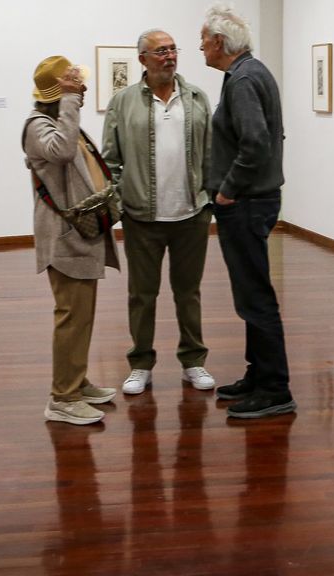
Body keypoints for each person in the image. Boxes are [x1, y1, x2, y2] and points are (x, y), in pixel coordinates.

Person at [102, 29, 216, 396]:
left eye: (172, 50)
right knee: (142, 294)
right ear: (143, 60)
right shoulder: (123, 102)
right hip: (142, 217)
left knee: (189, 292)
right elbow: (110, 160)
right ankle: (140, 364)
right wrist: (120, 202)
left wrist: (208, 198)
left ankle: (193, 362)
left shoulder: (197, 97)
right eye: (160, 51)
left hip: (190, 214)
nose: (169, 56)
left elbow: (210, 152)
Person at [199, 3, 294, 419]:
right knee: (250, 293)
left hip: (246, 202)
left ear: (219, 42)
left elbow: (255, 143)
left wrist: (227, 191)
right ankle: (258, 375)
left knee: (255, 296)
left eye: (203, 39)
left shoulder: (242, 80)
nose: (200, 47)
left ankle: (275, 388)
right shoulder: (248, 73)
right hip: (255, 199)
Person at [23, 56, 121, 425]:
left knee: (82, 316)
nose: (82, 87)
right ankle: (62, 398)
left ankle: (75, 381)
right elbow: (61, 152)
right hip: (64, 238)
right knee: (71, 316)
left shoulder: (59, 121)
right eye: (74, 83)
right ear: (57, 92)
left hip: (81, 235)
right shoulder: (37, 125)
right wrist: (70, 101)